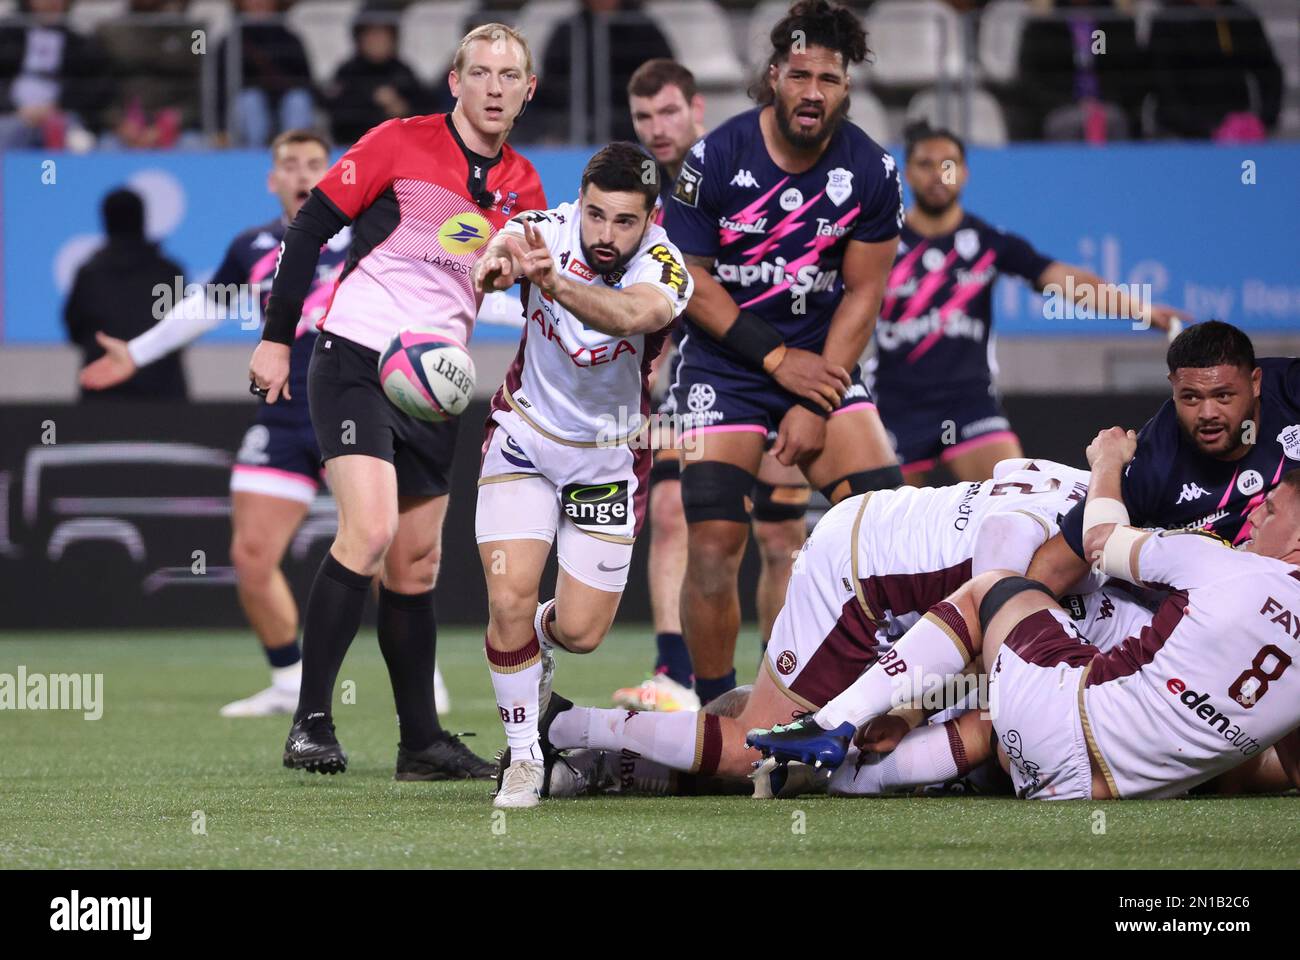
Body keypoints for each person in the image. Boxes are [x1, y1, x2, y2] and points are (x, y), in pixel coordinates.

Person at [247, 23, 546, 779]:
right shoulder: (397, 142)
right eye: (479, 72)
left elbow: (526, 277)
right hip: (352, 356)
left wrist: (508, 270)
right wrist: (279, 336)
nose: (493, 87)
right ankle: (310, 722)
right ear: (455, 81)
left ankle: (420, 742)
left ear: (528, 90)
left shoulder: (525, 187)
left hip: (434, 387)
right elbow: (310, 225)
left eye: (509, 75)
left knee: (416, 565)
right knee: (372, 531)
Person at [750, 432, 1300, 802]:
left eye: (1270, 511)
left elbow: (1100, 539)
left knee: (991, 589)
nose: (1253, 519)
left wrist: (1109, 464)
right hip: (1093, 792)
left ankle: (830, 725)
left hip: (1052, 728)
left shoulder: (1223, 568)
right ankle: (847, 780)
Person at [538, 459, 1093, 787]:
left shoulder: (1084, 483)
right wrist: (911, 709)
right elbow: (976, 616)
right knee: (754, 750)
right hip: (861, 580)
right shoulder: (1055, 548)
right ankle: (566, 725)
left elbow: (1008, 472)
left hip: (884, 542)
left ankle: (614, 764)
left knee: (787, 728)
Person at [661, 0, 905, 708]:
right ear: (773, 76)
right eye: (799, 75)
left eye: (829, 78)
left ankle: (884, 706)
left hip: (819, 367)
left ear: (846, 87)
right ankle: (718, 713)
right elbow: (690, 282)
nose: (812, 92)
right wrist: (776, 365)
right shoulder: (714, 157)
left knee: (886, 530)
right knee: (711, 541)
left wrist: (812, 396)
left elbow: (863, 295)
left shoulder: (873, 171)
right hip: (723, 369)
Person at [82, 131, 367, 719]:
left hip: (354, 407)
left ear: (334, 172)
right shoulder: (254, 245)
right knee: (252, 555)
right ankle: (289, 680)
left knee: (386, 550)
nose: (300, 175)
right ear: (272, 179)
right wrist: (135, 354)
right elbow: (206, 308)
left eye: (313, 164)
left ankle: (424, 677)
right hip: (284, 416)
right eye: (288, 165)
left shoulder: (370, 236)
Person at [472, 141, 693, 809]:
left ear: (650, 219)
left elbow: (633, 316)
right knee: (507, 598)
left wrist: (552, 284)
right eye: (596, 216)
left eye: (623, 221)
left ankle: (535, 641)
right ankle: (522, 758)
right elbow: (507, 239)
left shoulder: (666, 266)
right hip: (524, 439)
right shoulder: (551, 229)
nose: (605, 234)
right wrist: (494, 263)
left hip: (606, 458)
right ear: (582, 203)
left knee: (581, 633)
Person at [612, 58, 810, 713]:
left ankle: (776, 683)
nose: (657, 128)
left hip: (780, 367)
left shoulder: (740, 173)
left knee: (781, 536)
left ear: (696, 110)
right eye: (644, 117)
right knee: (674, 515)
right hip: (701, 379)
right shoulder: (642, 198)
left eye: (668, 112)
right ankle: (680, 674)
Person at [872, 122, 1184, 487]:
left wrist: (1140, 310)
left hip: (968, 403)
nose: (938, 174)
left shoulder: (990, 243)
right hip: (894, 406)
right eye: (926, 164)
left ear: (965, 172)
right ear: (907, 173)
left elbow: (1066, 282)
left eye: (949, 164)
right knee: (888, 522)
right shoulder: (880, 242)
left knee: (1017, 499)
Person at [1027, 321, 1300, 596]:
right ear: (1173, 387)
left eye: (1223, 396)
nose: (1208, 413)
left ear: (1255, 382)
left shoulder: (1291, 392)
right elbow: (1053, 569)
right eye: (1191, 397)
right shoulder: (1154, 464)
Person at [65, 189, 187, 402]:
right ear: (142, 219)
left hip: (102, 395)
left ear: (106, 221)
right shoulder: (168, 272)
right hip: (163, 396)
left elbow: (74, 328)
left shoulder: (90, 274)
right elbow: (184, 329)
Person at [524, 0, 673, 144]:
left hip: (628, 118)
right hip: (574, 121)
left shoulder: (643, 28)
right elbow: (553, 79)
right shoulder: (569, 29)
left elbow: (663, 74)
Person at [1148, 0, 1283, 141]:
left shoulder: (1239, 16)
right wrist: (1207, 130)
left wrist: (1262, 121)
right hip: (1181, 136)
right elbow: (1163, 85)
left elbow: (1269, 72)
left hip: (1236, 134)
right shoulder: (1170, 18)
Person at [1014, 0, 1146, 142]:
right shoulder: (1044, 26)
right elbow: (1032, 81)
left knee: (1113, 120)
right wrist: (1071, 104)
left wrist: (1099, 104)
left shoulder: (1115, 23)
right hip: (1061, 108)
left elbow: (1131, 75)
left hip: (1109, 107)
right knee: (1067, 124)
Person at [0, 0, 110, 149]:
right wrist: (15, 108)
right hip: (11, 115)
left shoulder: (78, 43)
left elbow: (94, 87)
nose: (52, 3)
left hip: (62, 115)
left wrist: (59, 106)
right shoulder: (7, 35)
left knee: (81, 143)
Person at [216, 0, 315, 147]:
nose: (259, 2)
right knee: (251, 101)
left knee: (298, 101)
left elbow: (305, 81)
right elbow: (220, 88)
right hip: (248, 111)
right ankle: (254, 156)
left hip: (283, 103)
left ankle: (294, 152)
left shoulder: (290, 39)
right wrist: (221, 128)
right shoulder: (230, 42)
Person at [324, 17, 428, 146]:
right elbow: (335, 109)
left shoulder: (403, 70)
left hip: (398, 146)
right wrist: (371, 99)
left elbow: (425, 106)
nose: (378, 41)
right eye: (372, 36)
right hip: (354, 145)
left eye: (383, 36)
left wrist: (403, 108)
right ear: (360, 39)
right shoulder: (348, 70)